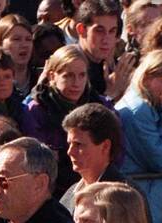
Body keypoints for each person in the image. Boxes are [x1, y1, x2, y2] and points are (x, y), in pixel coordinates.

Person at [20, 45, 107, 196]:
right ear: (53, 76)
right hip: (54, 190)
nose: (76, 83)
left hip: (97, 184)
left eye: (82, 75)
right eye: (68, 76)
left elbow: (116, 148)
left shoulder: (100, 106)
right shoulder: (36, 110)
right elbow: (38, 158)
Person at [114, 47, 162, 223]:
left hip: (151, 205)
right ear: (146, 78)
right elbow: (159, 160)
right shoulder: (138, 111)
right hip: (145, 206)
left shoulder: (150, 105)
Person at [73, 0, 131, 99]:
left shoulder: (114, 68)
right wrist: (110, 95)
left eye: (112, 31)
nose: (106, 39)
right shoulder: (69, 64)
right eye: (99, 31)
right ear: (81, 30)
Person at [0, 13, 37, 95]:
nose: (24, 45)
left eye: (28, 39)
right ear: (0, 42)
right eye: (16, 39)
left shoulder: (41, 79)